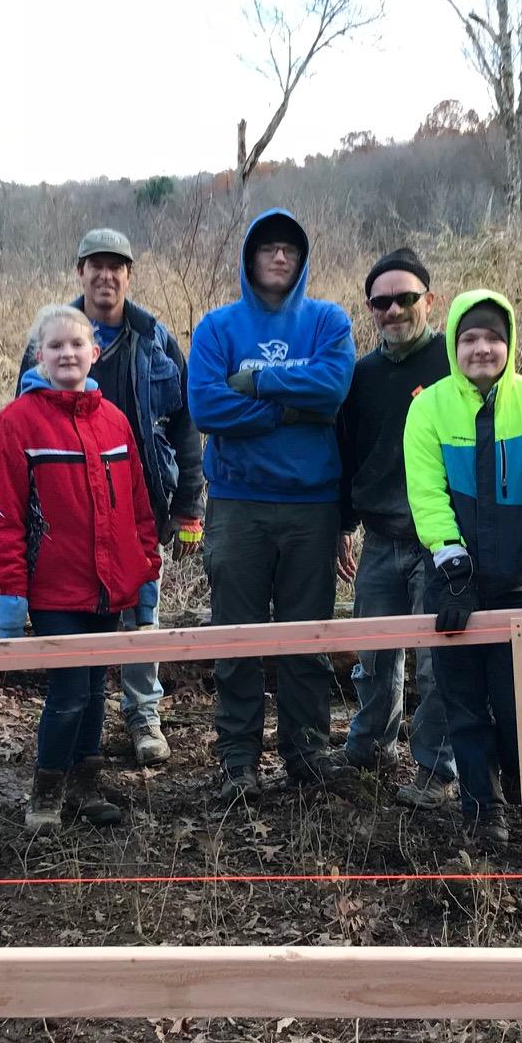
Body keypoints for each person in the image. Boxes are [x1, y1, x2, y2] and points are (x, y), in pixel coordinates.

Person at [187, 209, 356, 800]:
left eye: (290, 249)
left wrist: (256, 384)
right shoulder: (217, 328)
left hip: (313, 507)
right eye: (268, 249)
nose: (279, 257)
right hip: (238, 506)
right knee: (237, 639)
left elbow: (333, 389)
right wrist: (295, 407)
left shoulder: (328, 320)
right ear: (249, 259)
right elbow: (208, 408)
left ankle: (305, 752)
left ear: (302, 260)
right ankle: (239, 758)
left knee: (306, 638)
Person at [17, 229, 202, 767]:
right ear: (80, 272)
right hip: (68, 524)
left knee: (142, 620)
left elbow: (186, 422)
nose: (105, 275)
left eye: (115, 266)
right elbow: (21, 434)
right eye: (95, 266)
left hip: (143, 508)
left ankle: (143, 716)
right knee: (83, 638)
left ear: (128, 273)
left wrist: (189, 503)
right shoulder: (56, 333)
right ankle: (71, 737)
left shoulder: (157, 339)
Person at [403, 291, 522, 843]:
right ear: (455, 345)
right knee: (462, 702)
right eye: (470, 339)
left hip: (521, 582)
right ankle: (482, 812)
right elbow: (427, 493)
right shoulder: (428, 407)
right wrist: (451, 565)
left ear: (509, 343)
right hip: (454, 581)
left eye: (492, 338)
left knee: (519, 704)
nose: (482, 349)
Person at [0, 305, 161, 831]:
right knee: (67, 693)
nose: (67, 354)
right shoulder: (18, 422)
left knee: (96, 689)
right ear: (40, 355)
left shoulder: (114, 421)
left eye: (76, 345)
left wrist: (144, 570)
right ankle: (46, 791)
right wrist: (9, 594)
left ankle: (86, 782)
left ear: (94, 353)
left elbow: (138, 505)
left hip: (109, 588)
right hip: (55, 590)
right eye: (55, 346)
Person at [336, 246, 457, 806]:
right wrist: (343, 523)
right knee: (374, 653)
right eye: (382, 302)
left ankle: (436, 768)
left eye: (406, 298)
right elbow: (347, 452)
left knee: (438, 662)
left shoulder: (456, 364)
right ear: (370, 309)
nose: (394, 310)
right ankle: (370, 744)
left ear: (429, 301)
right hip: (380, 537)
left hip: (441, 541)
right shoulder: (361, 376)